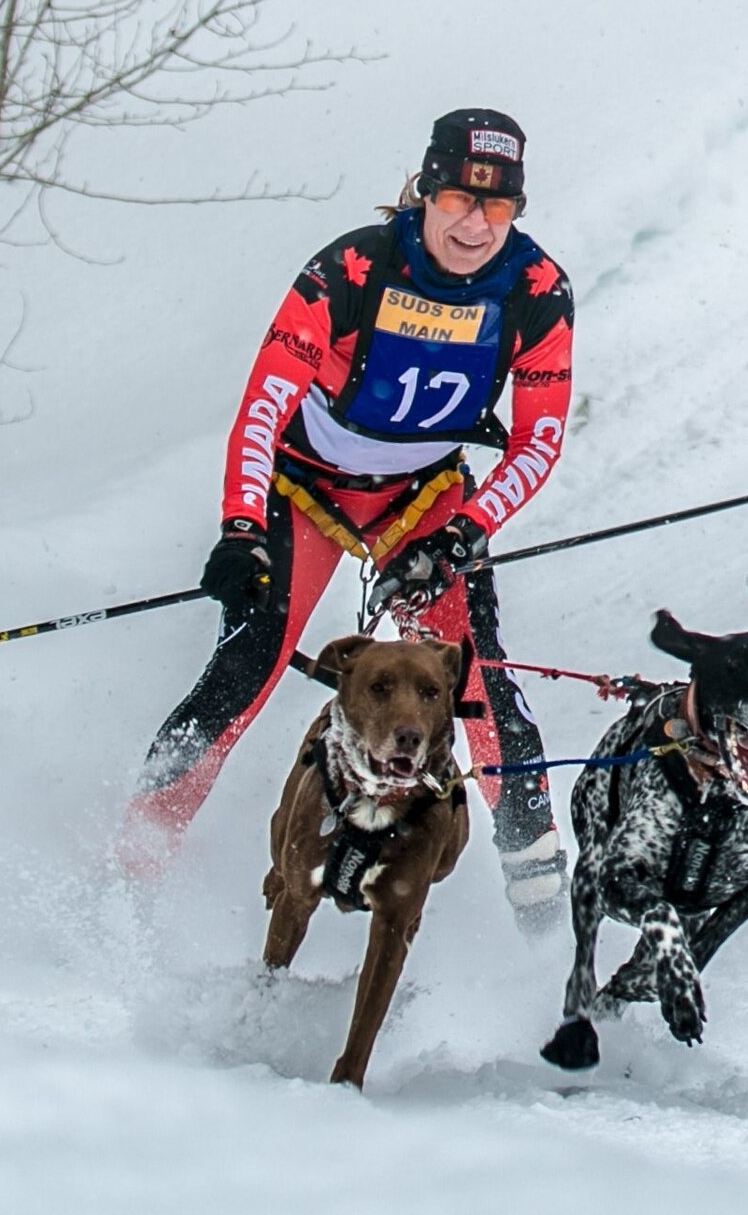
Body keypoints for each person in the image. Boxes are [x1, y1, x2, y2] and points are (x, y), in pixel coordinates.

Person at [125, 107, 574, 924]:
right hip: (306, 485)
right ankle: (130, 869)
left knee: (479, 687)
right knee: (247, 668)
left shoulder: (537, 291)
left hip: (424, 497)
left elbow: (539, 442)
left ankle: (544, 913)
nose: (477, 225)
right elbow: (264, 403)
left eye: (499, 209)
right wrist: (239, 531)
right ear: (427, 193)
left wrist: (464, 533)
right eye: (458, 204)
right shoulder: (354, 269)